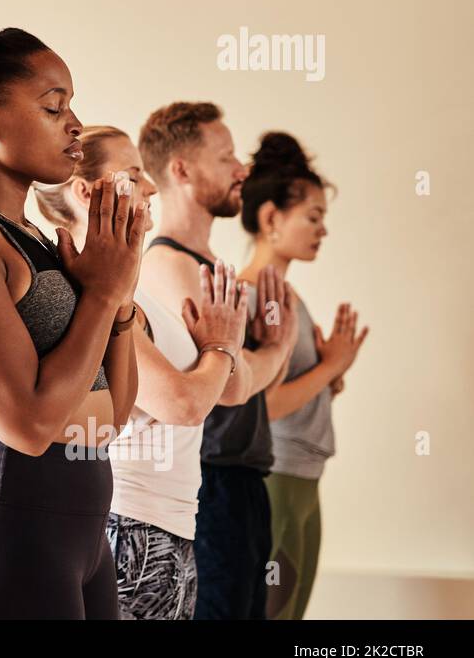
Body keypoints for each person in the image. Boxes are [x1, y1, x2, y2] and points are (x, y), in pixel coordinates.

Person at [0, 28, 142, 619]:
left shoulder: (38, 240)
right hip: (5, 529)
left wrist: (115, 301)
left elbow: (111, 416)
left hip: (82, 534)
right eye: (53, 106)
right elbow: (28, 424)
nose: (74, 125)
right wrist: (100, 296)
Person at [33, 125, 249, 620]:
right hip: (132, 526)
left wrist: (222, 353)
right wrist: (221, 345)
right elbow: (185, 404)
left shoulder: (139, 295)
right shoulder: (95, 296)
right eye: (133, 175)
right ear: (85, 191)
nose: (150, 187)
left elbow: (223, 389)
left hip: (171, 526)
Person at [135, 102, 300, 620]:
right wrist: (277, 347)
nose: (241, 169)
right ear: (181, 170)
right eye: (226, 156)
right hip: (211, 487)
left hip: (243, 484)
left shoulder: (207, 265)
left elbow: (235, 371)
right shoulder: (169, 263)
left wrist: (254, 359)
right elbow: (229, 385)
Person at [239, 132, 368, 619]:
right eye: (313, 217)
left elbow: (288, 393)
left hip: (305, 481)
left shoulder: (291, 300)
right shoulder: (249, 296)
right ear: (271, 218)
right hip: (279, 480)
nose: (323, 231)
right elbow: (259, 407)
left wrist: (327, 377)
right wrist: (332, 365)